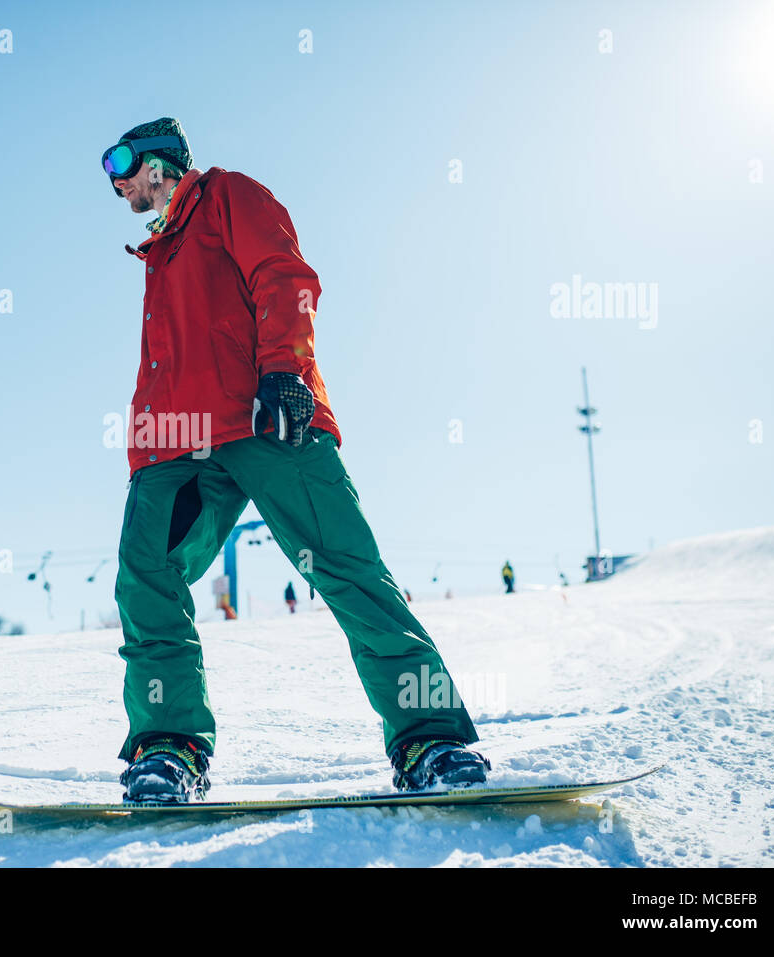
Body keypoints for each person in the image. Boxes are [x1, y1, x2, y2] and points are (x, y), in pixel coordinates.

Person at [102, 117, 488, 803]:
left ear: (162, 160)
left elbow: (284, 275)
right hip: (176, 443)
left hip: (264, 415)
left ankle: (430, 736)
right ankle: (169, 745)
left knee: (347, 567)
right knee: (146, 577)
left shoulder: (226, 196)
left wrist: (285, 372)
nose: (118, 181)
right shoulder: (159, 249)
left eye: (125, 162)